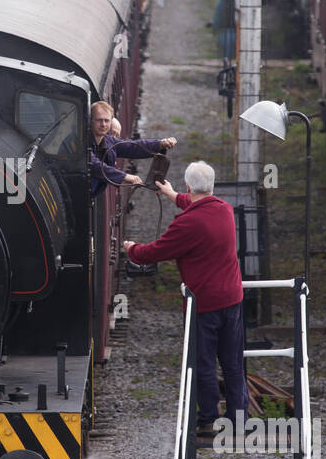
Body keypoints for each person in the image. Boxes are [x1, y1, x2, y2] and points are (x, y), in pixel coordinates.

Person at [123, 160, 249, 433]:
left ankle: (208, 418)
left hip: (204, 304)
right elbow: (196, 206)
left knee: (203, 363)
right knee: (232, 361)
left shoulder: (187, 223)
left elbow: (155, 252)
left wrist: (131, 249)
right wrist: (172, 195)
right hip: (233, 299)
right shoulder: (224, 210)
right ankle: (239, 418)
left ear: (189, 186)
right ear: (212, 187)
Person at [89, 100, 177, 198]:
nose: (103, 124)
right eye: (99, 120)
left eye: (106, 120)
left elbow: (133, 146)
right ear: (90, 120)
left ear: (111, 121)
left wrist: (160, 144)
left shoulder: (108, 141)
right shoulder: (80, 141)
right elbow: (94, 165)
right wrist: (125, 177)